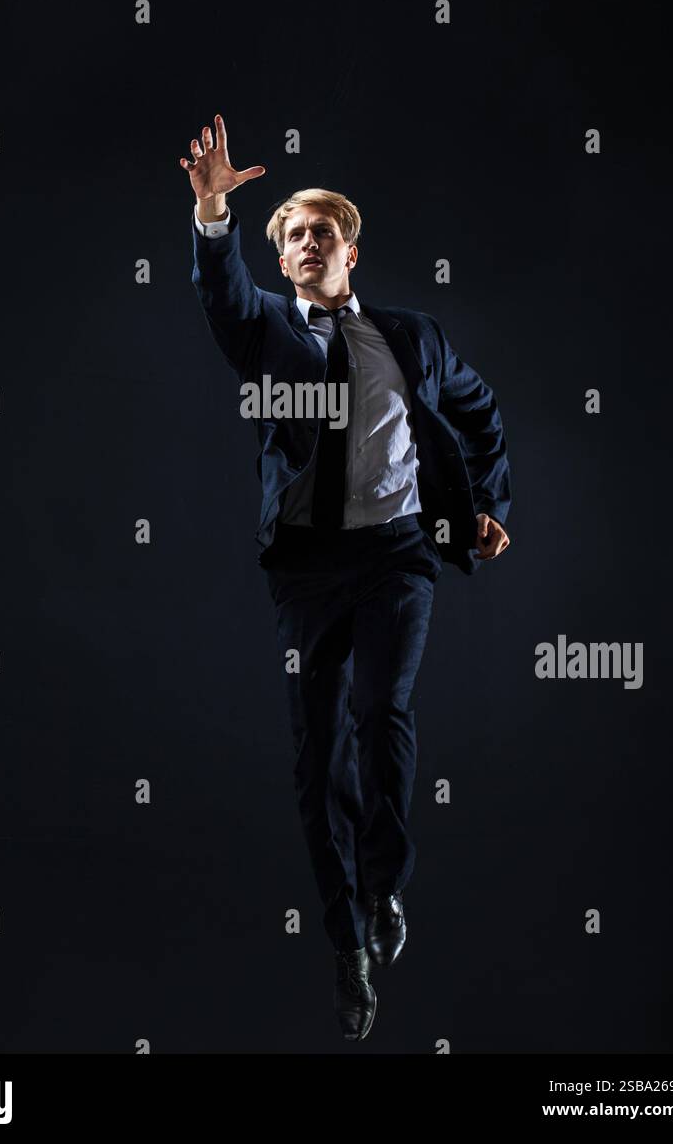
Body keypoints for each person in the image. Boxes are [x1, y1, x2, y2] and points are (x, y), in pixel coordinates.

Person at [182, 113, 511, 1041]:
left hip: (399, 555)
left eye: (320, 228)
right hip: (309, 572)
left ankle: (384, 890)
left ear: (350, 249)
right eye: (289, 235)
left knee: (383, 712)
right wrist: (214, 213)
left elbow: (480, 417)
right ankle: (347, 943)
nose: (305, 242)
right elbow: (223, 297)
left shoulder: (414, 339)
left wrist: (487, 505)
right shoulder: (267, 339)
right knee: (316, 754)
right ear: (281, 260)